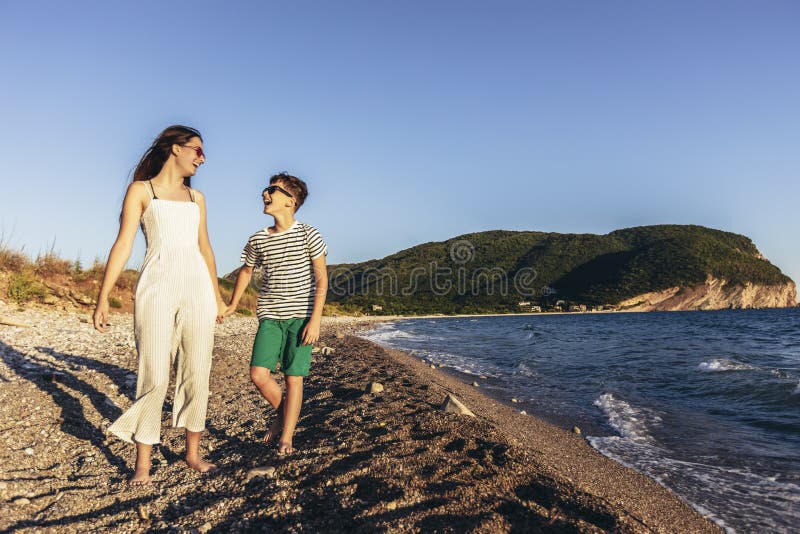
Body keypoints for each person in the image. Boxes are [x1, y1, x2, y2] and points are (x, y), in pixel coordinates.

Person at [93, 125, 226, 484]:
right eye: (196, 150)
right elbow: (123, 244)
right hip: (156, 287)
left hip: (197, 287)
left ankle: (193, 454)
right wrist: (103, 296)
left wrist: (217, 296)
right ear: (175, 149)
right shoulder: (142, 190)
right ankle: (144, 463)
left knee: (197, 369)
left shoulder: (197, 198)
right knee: (154, 373)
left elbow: (206, 248)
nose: (202, 157)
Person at [224, 172, 328, 455]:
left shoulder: (309, 234)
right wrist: (233, 304)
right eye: (265, 189)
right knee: (258, 374)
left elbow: (322, 279)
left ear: (290, 201)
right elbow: (246, 272)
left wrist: (315, 320)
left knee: (294, 378)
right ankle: (283, 415)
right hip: (269, 316)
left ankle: (287, 437)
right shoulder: (258, 239)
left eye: (272, 190)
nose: (265, 194)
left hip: (301, 317)